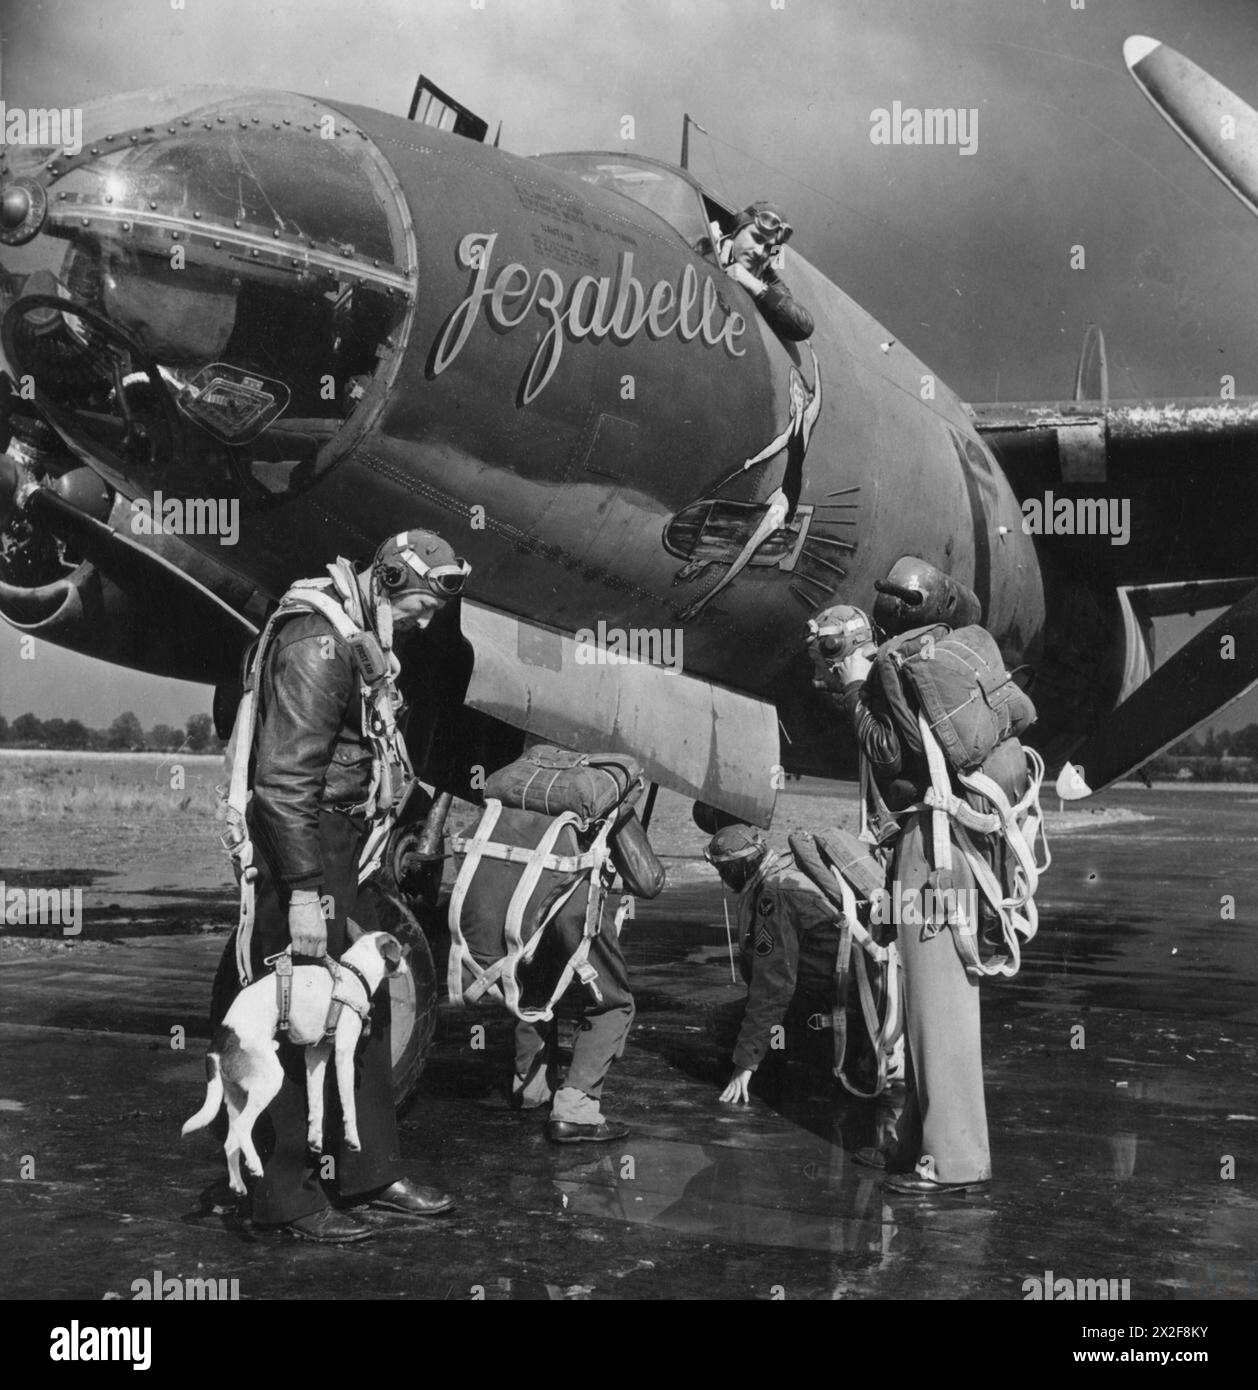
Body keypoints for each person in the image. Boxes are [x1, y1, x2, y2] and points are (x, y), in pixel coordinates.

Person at [212, 529, 470, 1242]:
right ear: (386, 580)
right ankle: (285, 1199)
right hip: (305, 846)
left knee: (362, 1002)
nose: (422, 623)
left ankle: (368, 1170)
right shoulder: (316, 642)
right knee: (295, 1017)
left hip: (341, 843)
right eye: (419, 606)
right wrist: (300, 890)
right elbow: (282, 783)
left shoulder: (356, 630)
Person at [809, 599, 999, 1197]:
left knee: (938, 1009)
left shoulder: (877, 684)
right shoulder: (897, 680)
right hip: (927, 845)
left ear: (841, 650)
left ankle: (955, 1161)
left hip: (931, 851)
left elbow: (893, 760)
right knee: (921, 1006)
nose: (826, 673)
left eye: (826, 658)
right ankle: (918, 1142)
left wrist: (855, 696)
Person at [703, 823, 858, 1102]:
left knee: (723, 1024)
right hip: (842, 1000)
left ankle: (788, 1057)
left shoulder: (773, 895)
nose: (723, 878)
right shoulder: (785, 871)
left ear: (737, 868)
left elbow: (773, 986)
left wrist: (745, 1063)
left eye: (723, 871)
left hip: (825, 1010)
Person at [715, 202, 814, 342]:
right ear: (737, 230)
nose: (759, 251)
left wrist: (755, 286)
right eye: (757, 238)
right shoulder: (705, 241)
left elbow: (803, 326)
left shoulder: (767, 278)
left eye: (768, 248)